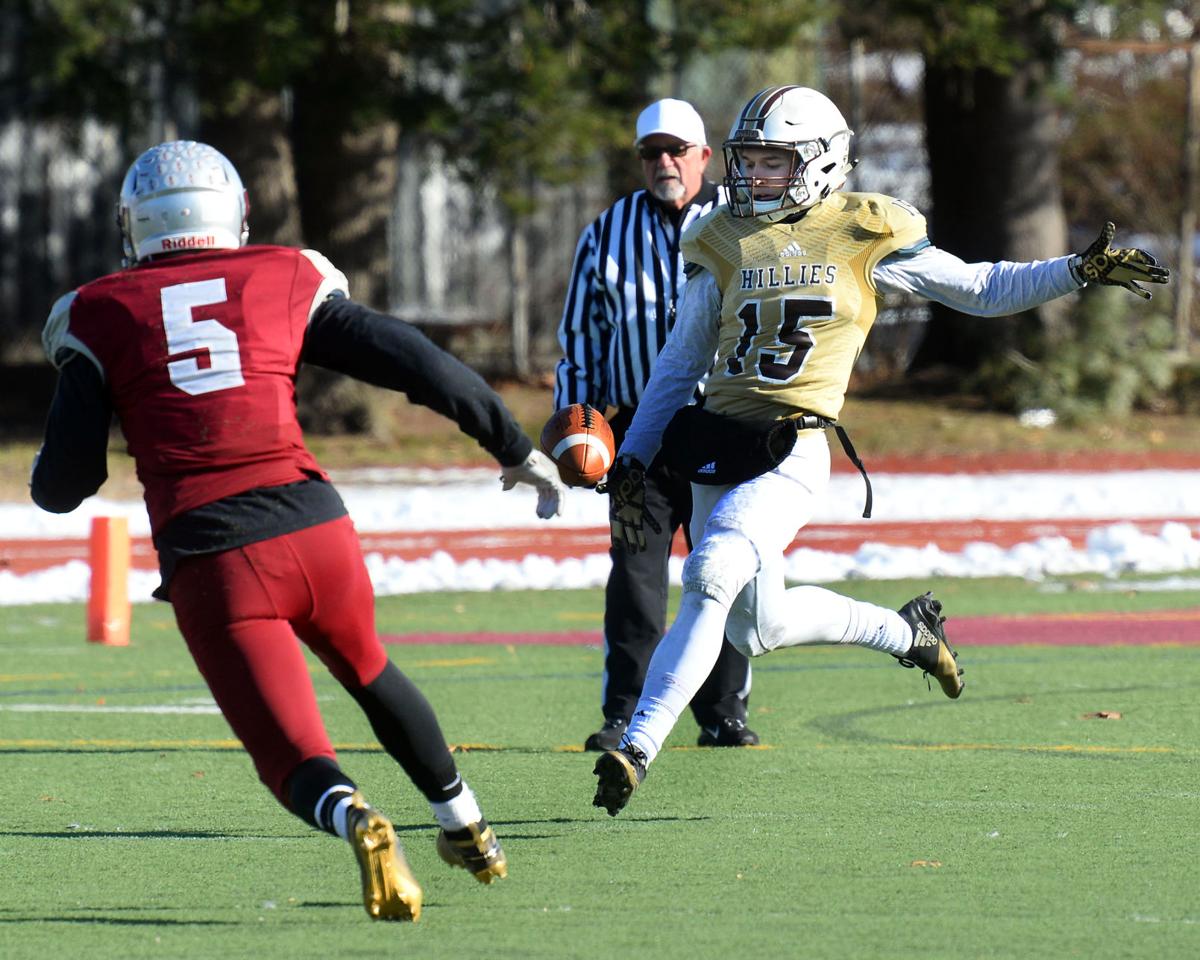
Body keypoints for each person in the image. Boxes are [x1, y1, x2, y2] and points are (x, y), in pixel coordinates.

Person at [592, 85, 1170, 816]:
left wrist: (1073, 271)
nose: (752, 176)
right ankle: (907, 633)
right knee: (755, 625)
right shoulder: (724, 237)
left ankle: (637, 746)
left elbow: (982, 288)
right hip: (717, 444)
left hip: (792, 445)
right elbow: (679, 367)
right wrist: (634, 463)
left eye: (773, 161)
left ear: (821, 161)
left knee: (712, 570)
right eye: (749, 161)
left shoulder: (865, 229)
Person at [30, 140, 569, 920]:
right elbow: (412, 360)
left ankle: (359, 817)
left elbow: (64, 486)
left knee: (293, 757)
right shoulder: (281, 275)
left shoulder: (100, 312)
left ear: (135, 225)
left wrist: (98, 429)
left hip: (215, 557)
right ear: (234, 214)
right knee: (372, 670)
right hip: (317, 528)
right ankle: (466, 823)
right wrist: (513, 446)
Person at [556, 97, 759, 752]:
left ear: (704, 155)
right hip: (636, 430)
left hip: (721, 426)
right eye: (651, 153)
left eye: (676, 150)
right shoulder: (605, 232)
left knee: (719, 570)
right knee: (636, 579)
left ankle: (723, 713)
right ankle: (623, 714)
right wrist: (576, 423)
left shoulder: (747, 221)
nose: (664, 163)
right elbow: (581, 339)